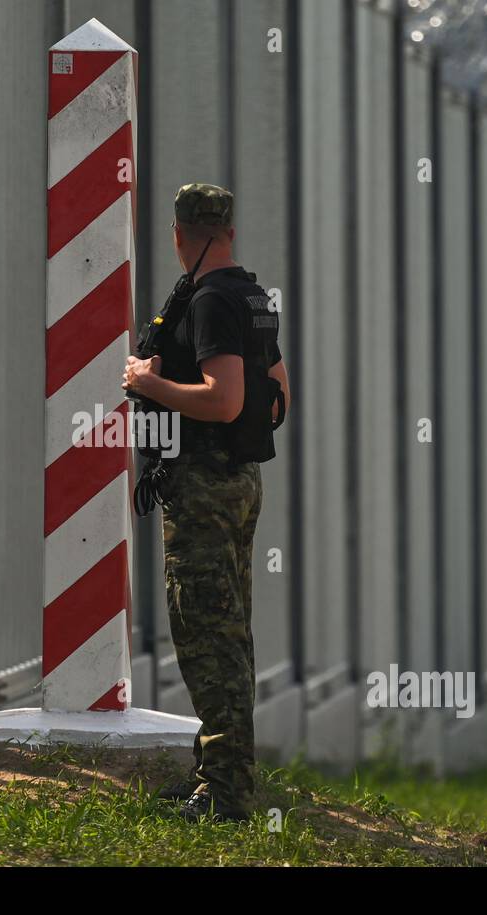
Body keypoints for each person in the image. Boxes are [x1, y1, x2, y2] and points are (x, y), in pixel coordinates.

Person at [121, 183, 291, 822]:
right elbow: (277, 397)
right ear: (230, 232)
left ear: (179, 233)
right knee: (228, 628)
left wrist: (150, 382)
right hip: (240, 482)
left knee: (204, 634)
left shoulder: (213, 301)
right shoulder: (251, 296)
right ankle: (218, 774)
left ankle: (224, 794)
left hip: (205, 488)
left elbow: (223, 399)